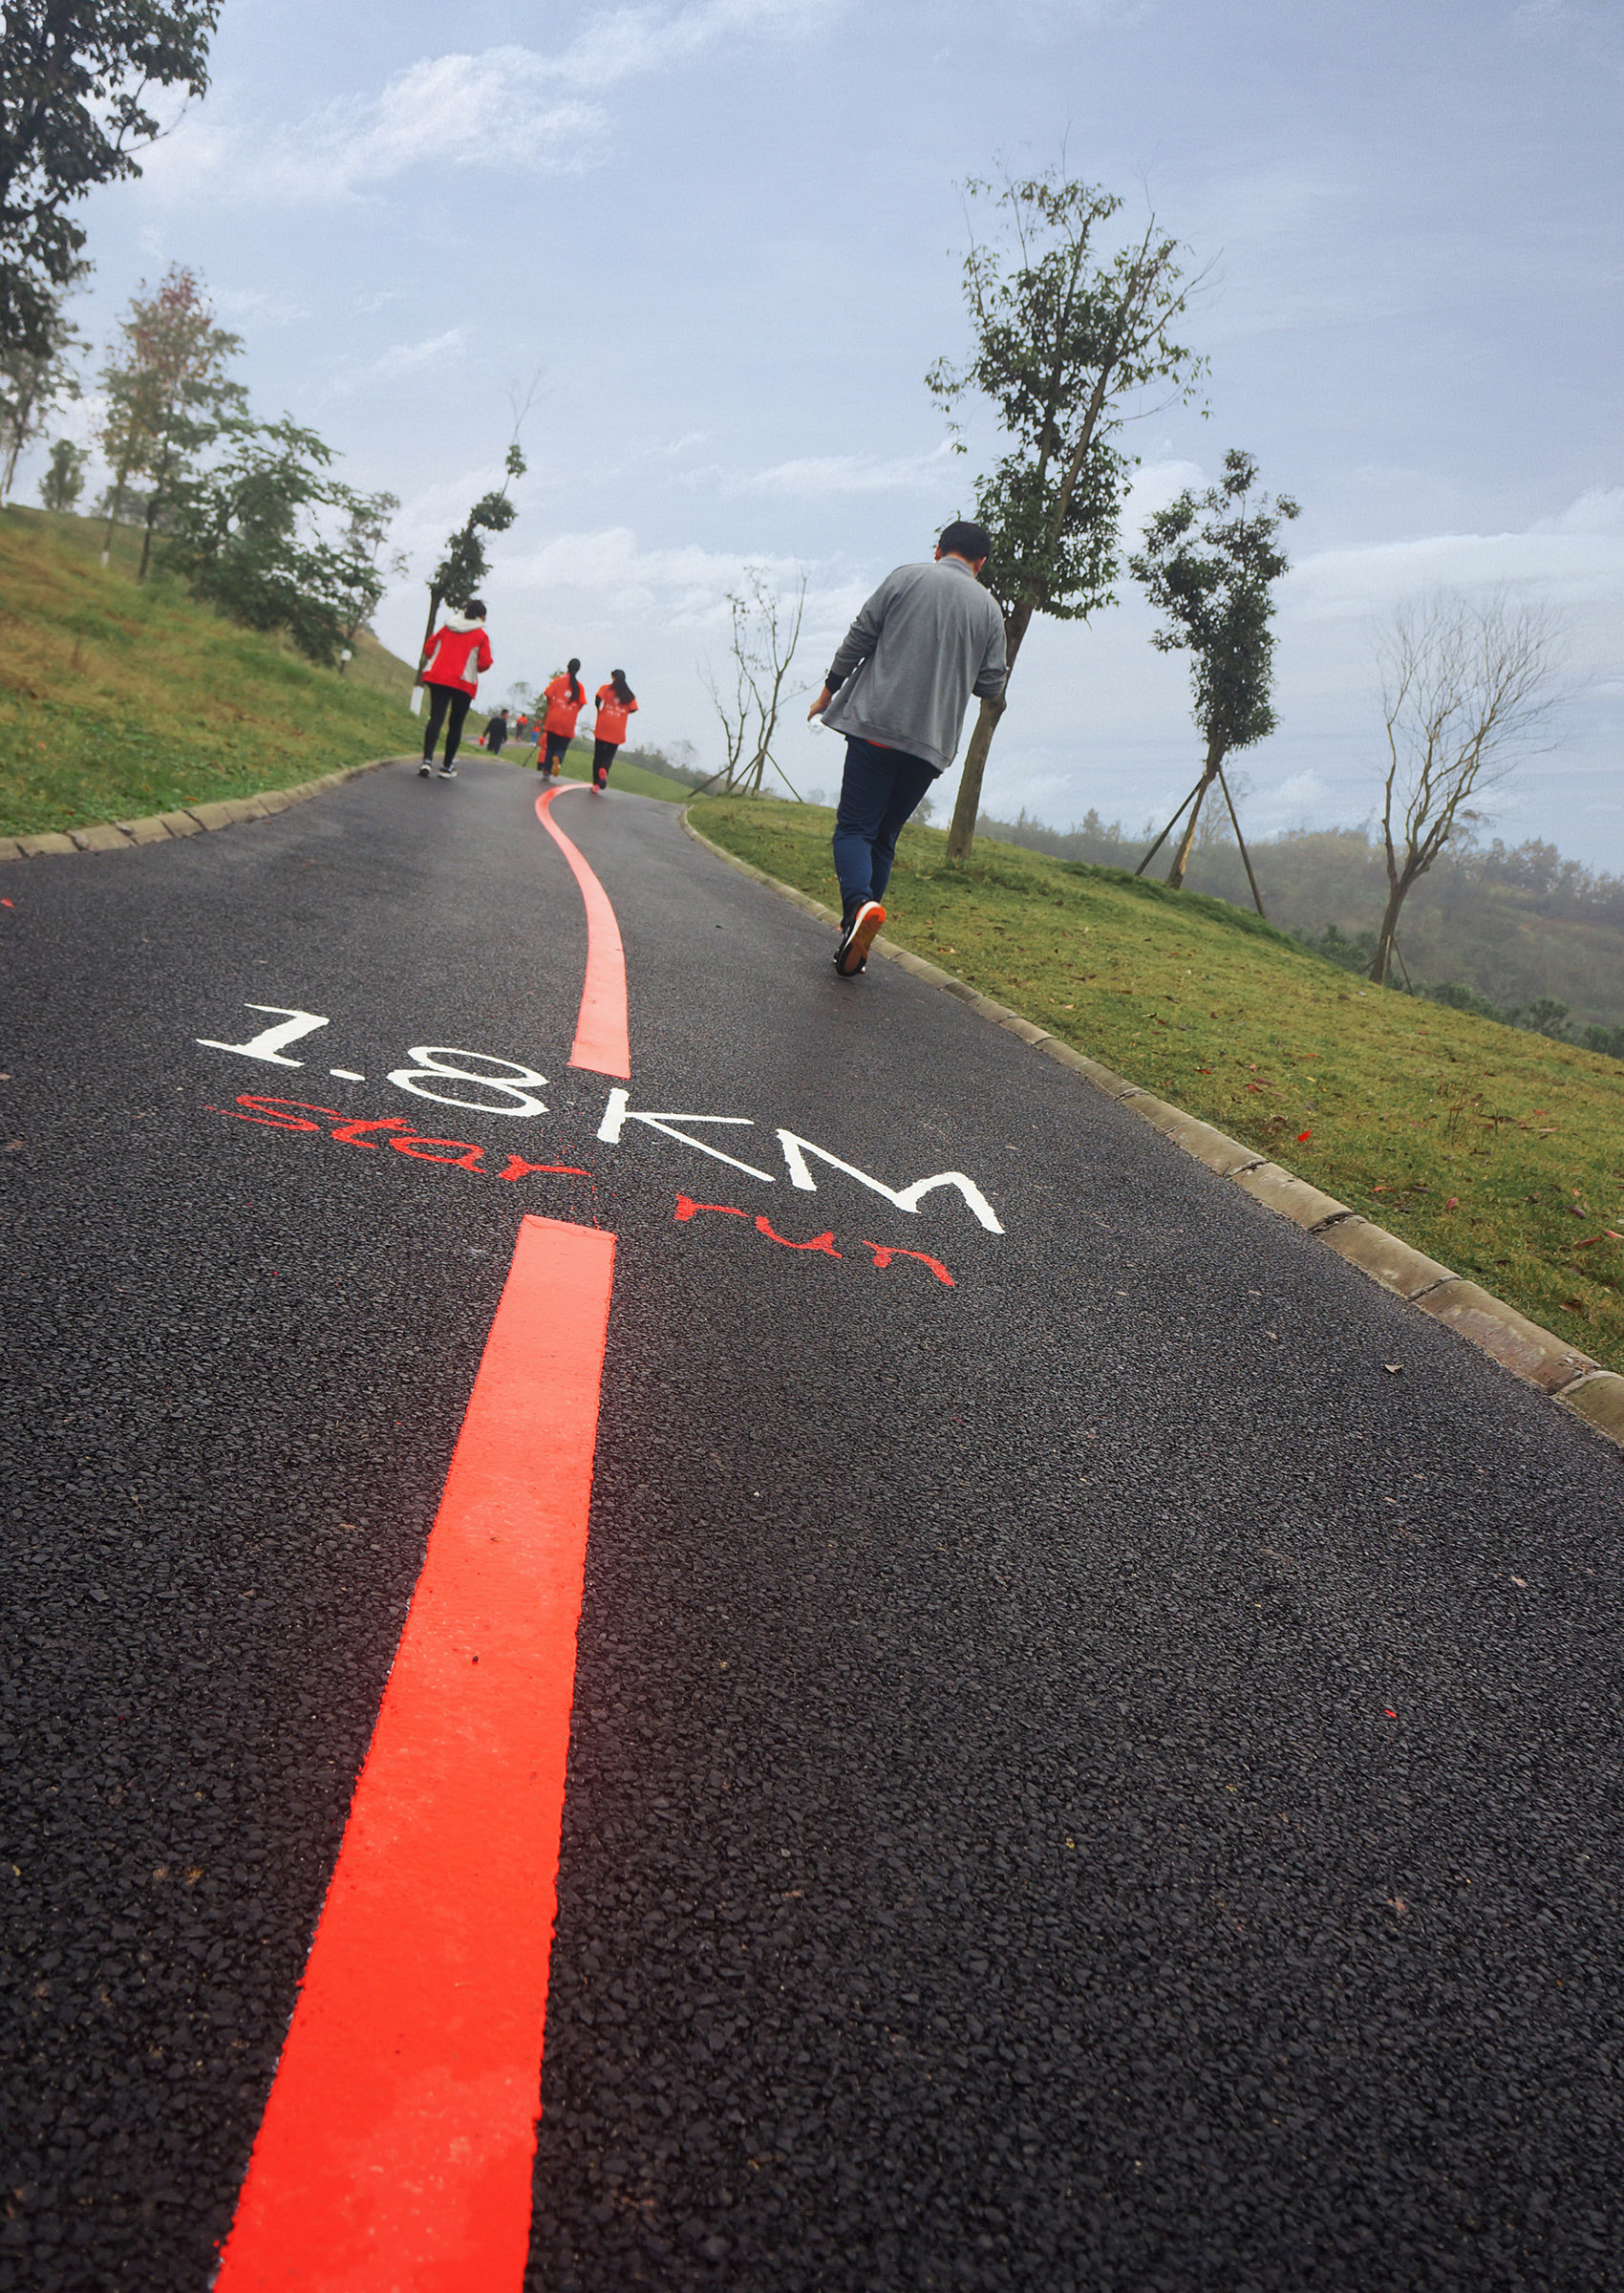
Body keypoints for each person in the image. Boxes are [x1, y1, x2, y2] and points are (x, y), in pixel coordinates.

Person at [807, 522, 1006, 976]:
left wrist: (829, 691)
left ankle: (858, 908)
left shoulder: (905, 578)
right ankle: (854, 938)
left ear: (938, 550)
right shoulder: (991, 611)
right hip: (929, 744)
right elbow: (991, 684)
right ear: (981, 563)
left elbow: (859, 637)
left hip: (876, 726)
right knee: (884, 836)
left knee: (854, 829)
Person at [417, 599, 493, 779]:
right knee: (456, 724)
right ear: (482, 617)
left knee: (436, 717)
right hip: (463, 682)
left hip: (438, 677)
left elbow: (429, 648)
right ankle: (446, 766)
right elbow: (485, 662)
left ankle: (427, 761)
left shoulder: (448, 627)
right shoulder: (481, 635)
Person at [589, 670, 638, 791]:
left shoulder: (606, 688)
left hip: (603, 724)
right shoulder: (629, 695)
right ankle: (604, 770)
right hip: (618, 729)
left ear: (613, 677)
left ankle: (596, 784)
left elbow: (597, 699)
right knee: (609, 756)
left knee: (598, 755)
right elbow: (633, 709)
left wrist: (599, 709)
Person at [539, 659, 588, 776]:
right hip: (568, 723)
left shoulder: (558, 680)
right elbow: (581, 704)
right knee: (561, 747)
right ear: (578, 670)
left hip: (553, 719)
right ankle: (558, 758)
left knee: (550, 746)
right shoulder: (579, 687)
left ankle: (546, 771)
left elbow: (548, 695)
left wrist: (552, 706)